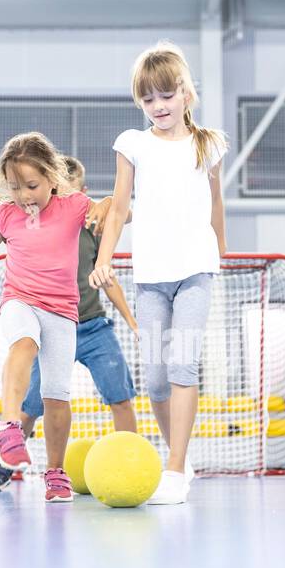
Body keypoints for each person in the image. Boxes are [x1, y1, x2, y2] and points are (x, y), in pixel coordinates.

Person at [89, 40, 228, 505]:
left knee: (184, 363)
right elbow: (120, 206)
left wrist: (220, 250)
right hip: (151, 277)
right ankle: (179, 456)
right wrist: (104, 257)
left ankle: (174, 470)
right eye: (147, 99)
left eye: (166, 95)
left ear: (186, 93)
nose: (158, 106)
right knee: (154, 376)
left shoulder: (208, 143)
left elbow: (216, 202)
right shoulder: (133, 144)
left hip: (194, 272)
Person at [0, 132, 89, 503]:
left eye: (32, 186)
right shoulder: (6, 213)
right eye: (15, 187)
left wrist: (110, 204)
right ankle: (10, 426)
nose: (24, 195)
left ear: (52, 178)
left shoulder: (73, 206)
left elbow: (120, 212)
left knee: (57, 395)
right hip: (20, 299)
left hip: (62, 310)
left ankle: (56, 472)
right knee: (24, 343)